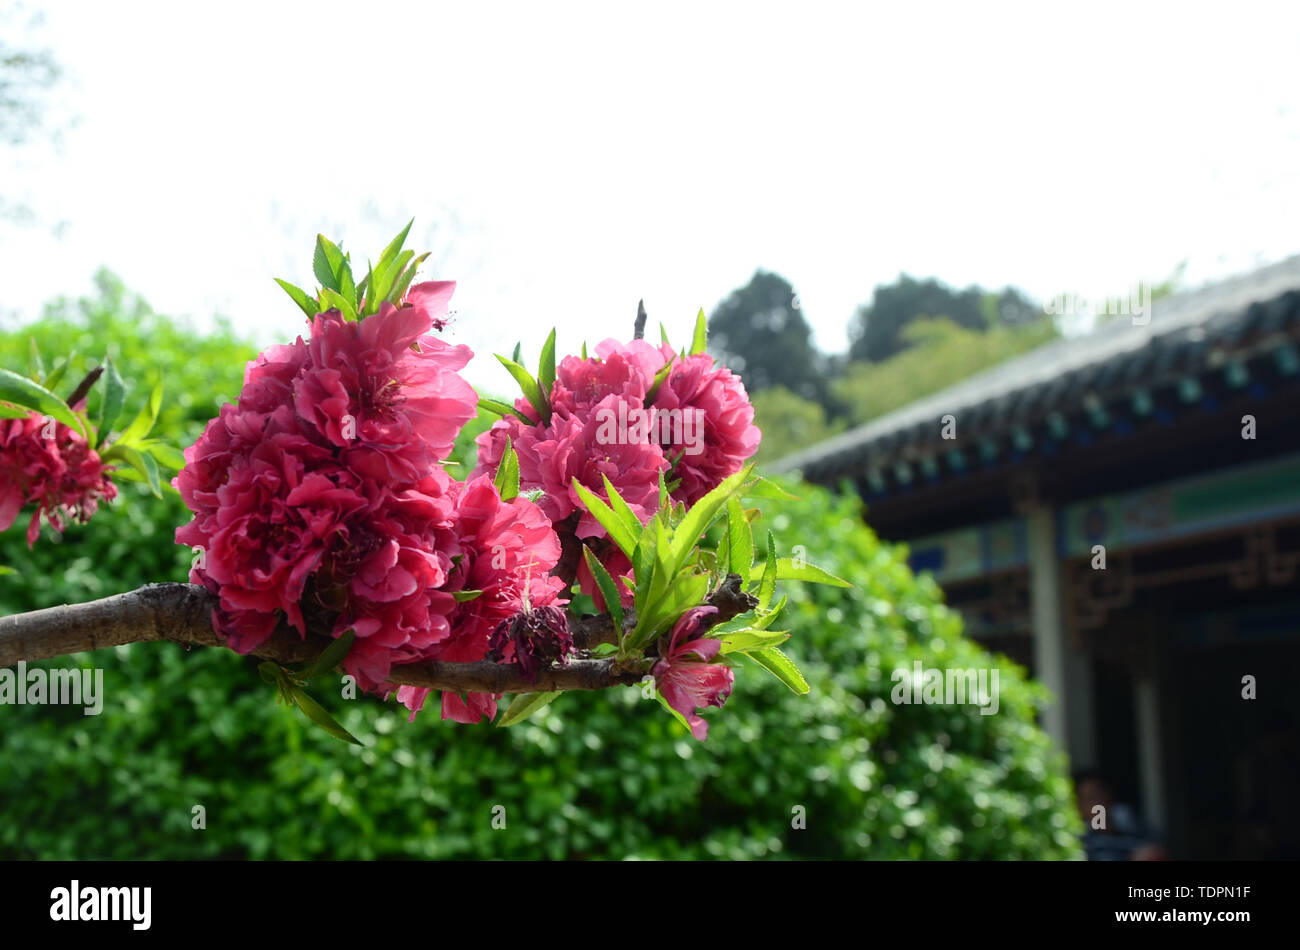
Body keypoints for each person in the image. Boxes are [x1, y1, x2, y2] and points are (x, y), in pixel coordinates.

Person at [1073, 770, 1167, 860]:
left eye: (1101, 793)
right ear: (1078, 806)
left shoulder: (1134, 827)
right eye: (1090, 798)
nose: (1099, 802)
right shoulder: (1080, 843)